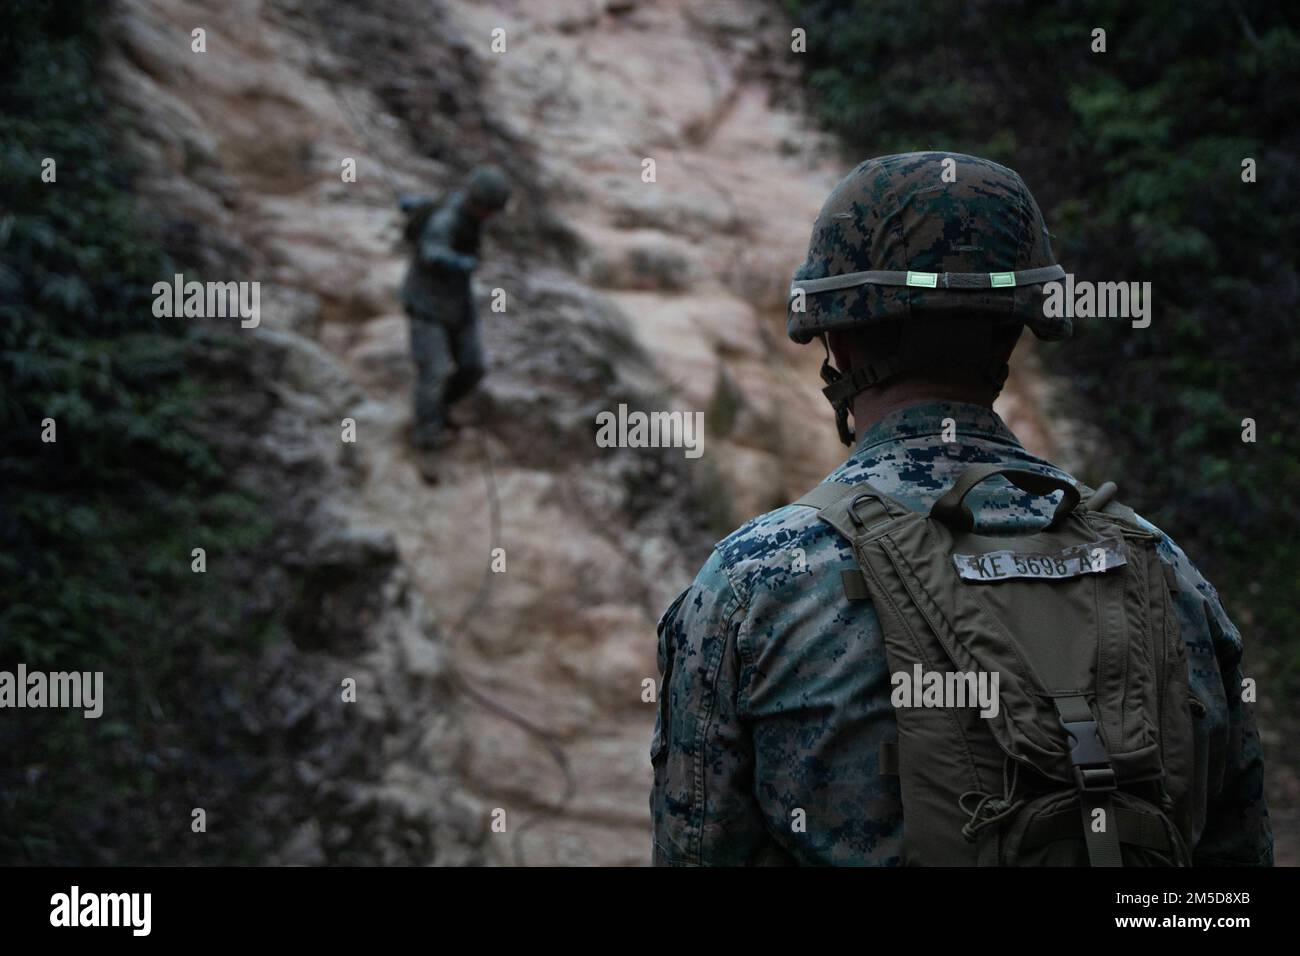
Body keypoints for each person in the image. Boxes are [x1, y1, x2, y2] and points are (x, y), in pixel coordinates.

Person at [649, 152, 1272, 866]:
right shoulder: (1165, 572)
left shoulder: (756, 583)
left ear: (839, 343)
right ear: (1011, 336)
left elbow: (696, 848)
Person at [399, 164, 511, 479]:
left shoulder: (464, 210)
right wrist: (456, 261)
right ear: (480, 204)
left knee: (473, 366)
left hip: (458, 305)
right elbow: (431, 251)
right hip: (426, 306)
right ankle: (426, 435)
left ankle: (440, 409)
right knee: (433, 371)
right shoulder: (446, 220)